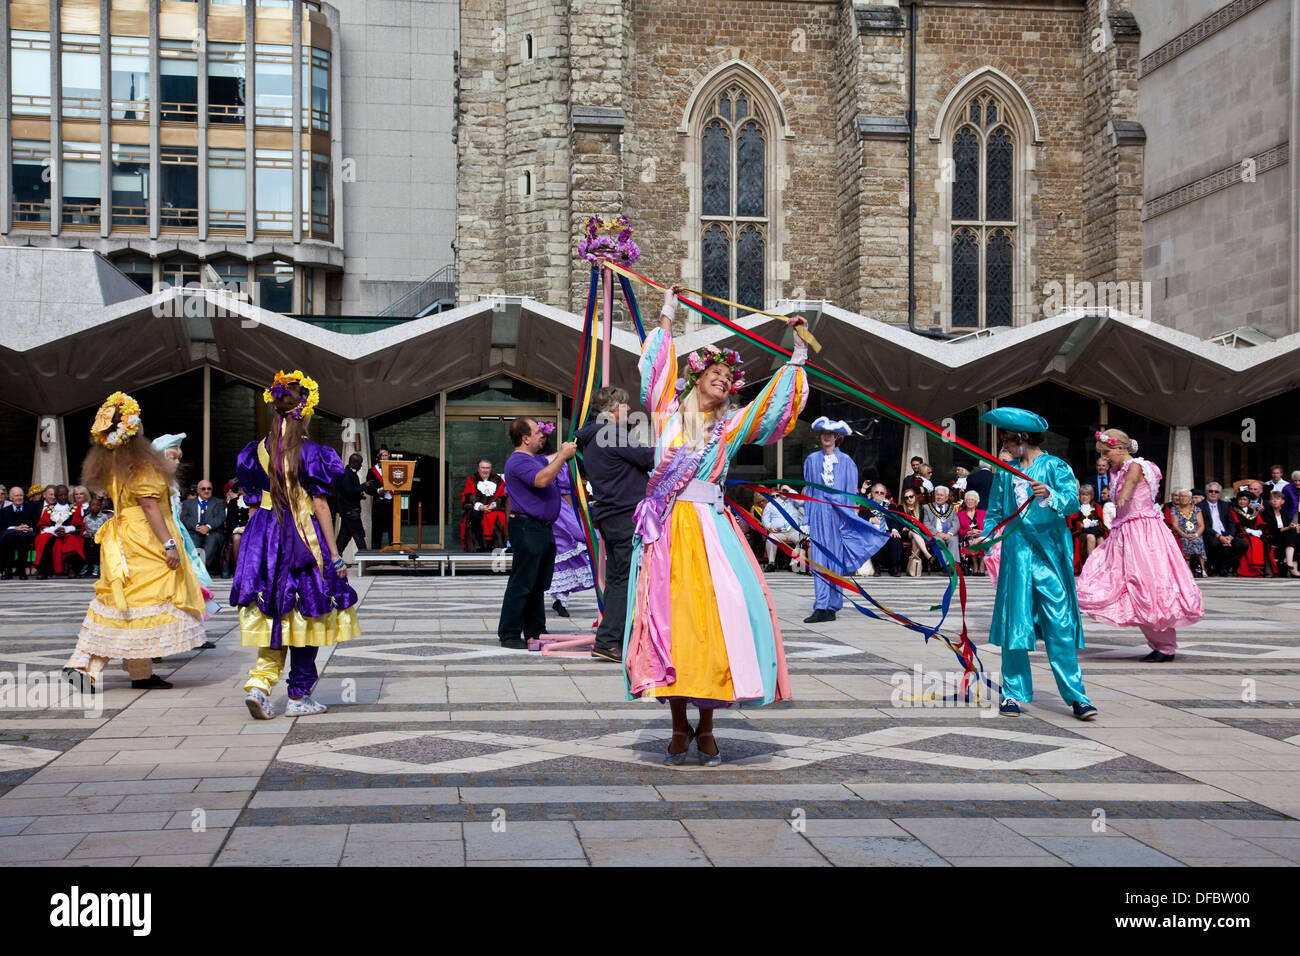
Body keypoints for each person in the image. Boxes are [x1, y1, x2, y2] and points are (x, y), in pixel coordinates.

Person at [626, 284, 810, 766]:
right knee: (673, 626)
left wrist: (795, 353)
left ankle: (706, 726)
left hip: (710, 529)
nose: (724, 380)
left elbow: (773, 410)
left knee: (716, 624)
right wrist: (668, 311)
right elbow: (654, 374)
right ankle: (677, 724)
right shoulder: (666, 413)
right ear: (697, 378)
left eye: (729, 377)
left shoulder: (728, 427)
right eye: (716, 373)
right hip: (667, 532)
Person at [233, 371, 360, 719]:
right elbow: (320, 505)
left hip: (264, 540)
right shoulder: (312, 453)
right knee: (309, 611)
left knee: (274, 608)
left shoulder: (255, 452)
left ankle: (260, 684)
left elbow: (252, 501)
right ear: (304, 410)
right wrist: (335, 555)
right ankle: (299, 694)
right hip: (303, 537)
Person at [62, 392, 208, 692]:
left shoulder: (117, 461)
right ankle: (81, 664)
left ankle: (140, 673)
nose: (142, 426)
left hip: (124, 536)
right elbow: (150, 506)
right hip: (144, 539)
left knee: (130, 603)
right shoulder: (140, 464)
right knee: (136, 603)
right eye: (137, 421)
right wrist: (169, 544)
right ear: (131, 428)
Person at [975, 408, 1096, 720]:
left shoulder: (1056, 466)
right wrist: (984, 538)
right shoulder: (1004, 472)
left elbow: (1072, 502)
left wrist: (1049, 493)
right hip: (1017, 556)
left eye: (1006, 439)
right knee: (1015, 623)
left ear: (1022, 438)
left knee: (1060, 625)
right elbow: (995, 513)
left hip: (1050, 556)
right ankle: (1013, 693)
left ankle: (1077, 696)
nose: (1003, 445)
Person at [1078, 429, 1205, 662]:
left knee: (1148, 584)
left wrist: (1124, 495)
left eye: (1107, 453)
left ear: (1120, 448)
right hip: (1126, 530)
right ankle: (1161, 645)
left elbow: (1131, 484)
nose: (1106, 458)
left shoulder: (1135, 465)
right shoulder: (1118, 470)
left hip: (1142, 532)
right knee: (1120, 579)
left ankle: (1165, 646)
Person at [576, 385, 656, 663]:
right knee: (623, 580)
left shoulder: (592, 437)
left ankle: (614, 637)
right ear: (612, 410)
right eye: (625, 406)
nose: (629, 410)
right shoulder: (610, 433)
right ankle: (609, 640)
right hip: (624, 514)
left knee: (619, 579)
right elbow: (649, 458)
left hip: (612, 514)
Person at [497, 418, 577, 649]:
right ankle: (510, 633)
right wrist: (562, 455)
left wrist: (568, 448)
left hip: (540, 528)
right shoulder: (518, 461)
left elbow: (548, 460)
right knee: (522, 582)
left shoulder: (533, 459)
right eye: (537, 432)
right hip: (527, 527)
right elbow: (541, 479)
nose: (542, 435)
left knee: (536, 583)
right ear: (525, 439)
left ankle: (535, 630)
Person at [802, 417, 887, 623]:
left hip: (839, 515)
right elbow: (809, 490)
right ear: (819, 435)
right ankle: (821, 605)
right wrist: (807, 519)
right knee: (819, 559)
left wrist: (849, 516)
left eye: (831, 434)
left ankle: (832, 605)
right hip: (818, 514)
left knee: (835, 561)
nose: (827, 436)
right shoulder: (811, 460)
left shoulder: (847, 462)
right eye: (824, 433)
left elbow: (850, 492)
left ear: (837, 437)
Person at [153, 434, 221, 630]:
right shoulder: (155, 482)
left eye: (178, 458)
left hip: (177, 534)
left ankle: (192, 628)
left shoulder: (170, 482)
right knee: (167, 584)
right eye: (172, 458)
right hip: (163, 536)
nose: (177, 462)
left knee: (189, 580)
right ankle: (161, 632)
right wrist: (169, 543)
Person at [33, 484, 86, 578]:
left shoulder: (75, 507)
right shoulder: (49, 508)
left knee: (73, 540)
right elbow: (42, 525)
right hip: (52, 533)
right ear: (56, 496)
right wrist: (53, 530)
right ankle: (43, 570)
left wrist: (67, 529)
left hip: (69, 534)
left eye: (65, 495)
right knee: (42, 539)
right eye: (60, 495)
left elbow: (79, 526)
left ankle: (71, 569)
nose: (63, 497)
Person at [460, 458, 508, 552]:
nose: (485, 470)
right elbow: (468, 494)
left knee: (499, 518)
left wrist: (494, 505)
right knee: (475, 516)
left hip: (494, 508)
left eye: (487, 468)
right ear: (478, 469)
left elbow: (503, 495)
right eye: (483, 468)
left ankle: (492, 545)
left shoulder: (498, 480)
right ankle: (480, 544)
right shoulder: (472, 479)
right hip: (477, 508)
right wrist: (480, 506)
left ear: (490, 469)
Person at [180, 478, 226, 577]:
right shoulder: (188, 503)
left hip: (213, 532)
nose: (206, 491)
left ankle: (201, 570)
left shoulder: (218, 502)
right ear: (198, 490)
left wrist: (208, 527)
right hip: (194, 531)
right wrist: (196, 527)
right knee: (193, 542)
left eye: (209, 489)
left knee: (212, 541)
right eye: (203, 488)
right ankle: (195, 570)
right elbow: (184, 518)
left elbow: (220, 517)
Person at [1199, 482, 1243, 576]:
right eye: (1211, 491)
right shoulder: (1200, 506)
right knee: (1215, 543)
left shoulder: (1225, 505)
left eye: (1216, 491)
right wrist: (1219, 536)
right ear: (1206, 493)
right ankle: (1214, 567)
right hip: (1210, 533)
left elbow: (1231, 522)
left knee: (1242, 545)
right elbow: (1204, 525)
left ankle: (1224, 566)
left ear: (1220, 494)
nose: (1213, 493)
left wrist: (1230, 536)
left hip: (1225, 533)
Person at [861, 483, 905, 576]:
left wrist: (894, 530)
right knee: (874, 538)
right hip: (873, 532)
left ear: (885, 494)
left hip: (887, 531)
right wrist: (870, 519)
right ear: (872, 493)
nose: (879, 494)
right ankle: (877, 567)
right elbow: (860, 520)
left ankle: (894, 567)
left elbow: (896, 521)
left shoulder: (891, 507)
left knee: (896, 538)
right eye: (877, 492)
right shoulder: (865, 505)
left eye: (882, 493)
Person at [760, 488, 807, 573]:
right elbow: (765, 519)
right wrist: (769, 527)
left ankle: (793, 563)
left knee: (801, 540)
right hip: (778, 532)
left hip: (793, 531)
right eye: (782, 491)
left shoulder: (795, 502)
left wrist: (790, 490)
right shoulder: (771, 504)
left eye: (786, 491)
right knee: (770, 539)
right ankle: (771, 563)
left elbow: (802, 501)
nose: (784, 493)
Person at [1166, 488, 1208, 578]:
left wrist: (1196, 534)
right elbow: (1175, 525)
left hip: (1195, 533)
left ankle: (1203, 569)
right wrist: (1184, 534)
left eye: (1185, 496)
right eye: (1181, 496)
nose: (1183, 498)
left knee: (1198, 541)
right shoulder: (1174, 509)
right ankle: (1187, 570)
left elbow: (1201, 525)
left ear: (1190, 498)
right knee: (1185, 542)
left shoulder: (1197, 509)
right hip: (1182, 534)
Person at [0, 485, 40, 579]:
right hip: (10, 536)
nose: (19, 498)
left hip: (27, 535)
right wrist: (15, 528)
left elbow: (36, 524)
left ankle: (22, 571)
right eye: (16, 496)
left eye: (21, 495)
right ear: (11, 498)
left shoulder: (31, 507)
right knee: (9, 538)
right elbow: (2, 528)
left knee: (22, 537)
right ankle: (8, 570)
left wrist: (30, 528)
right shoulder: (4, 511)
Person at [1230, 490, 1270, 577]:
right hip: (1241, 534)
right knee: (1253, 543)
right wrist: (1248, 531)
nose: (1242, 501)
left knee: (1263, 543)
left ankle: (1261, 570)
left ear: (1248, 501)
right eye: (1240, 499)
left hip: (1255, 534)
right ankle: (1248, 570)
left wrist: (1259, 530)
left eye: (1245, 500)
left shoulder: (1253, 511)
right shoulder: (1234, 510)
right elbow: (1235, 524)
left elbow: (1260, 522)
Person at [335, 453, 369, 556]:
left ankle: (336, 558)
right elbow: (349, 491)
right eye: (360, 463)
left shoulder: (350, 473)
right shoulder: (346, 474)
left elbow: (350, 492)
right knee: (358, 534)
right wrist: (364, 485)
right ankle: (366, 558)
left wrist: (359, 496)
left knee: (344, 536)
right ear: (354, 463)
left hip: (349, 510)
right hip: (350, 510)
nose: (361, 466)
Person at [1068, 483, 1107, 571]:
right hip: (1081, 533)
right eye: (1082, 494)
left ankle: (1102, 565)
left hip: (1095, 530)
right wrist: (1080, 525)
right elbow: (1072, 523)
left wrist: (1097, 523)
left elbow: (1101, 522)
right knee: (1091, 537)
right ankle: (1091, 566)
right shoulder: (1076, 507)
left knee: (1101, 538)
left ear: (1091, 496)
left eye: (1087, 495)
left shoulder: (1097, 507)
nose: (1084, 497)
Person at [921, 485, 960, 573]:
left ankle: (951, 565)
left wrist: (950, 533)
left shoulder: (952, 508)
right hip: (934, 534)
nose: (938, 497)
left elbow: (956, 523)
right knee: (940, 541)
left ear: (946, 497)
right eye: (937, 495)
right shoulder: (927, 507)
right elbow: (926, 523)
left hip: (949, 533)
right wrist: (938, 533)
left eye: (941, 495)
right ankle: (946, 565)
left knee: (954, 540)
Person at [1261, 489, 1300, 577]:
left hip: (1285, 537)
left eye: (1277, 499)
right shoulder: (1267, 513)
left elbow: (1289, 525)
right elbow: (1272, 529)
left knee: (1296, 535)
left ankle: (1292, 567)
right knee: (1292, 533)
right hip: (1273, 537)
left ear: (1282, 502)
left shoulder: (1284, 513)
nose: (1274, 501)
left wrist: (1294, 526)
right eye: (1272, 499)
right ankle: (1291, 565)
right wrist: (1289, 528)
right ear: (1270, 501)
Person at [897, 487, 933, 574]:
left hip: (918, 534)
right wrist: (904, 527)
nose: (909, 499)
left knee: (915, 536)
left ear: (915, 497)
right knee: (914, 531)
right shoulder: (901, 508)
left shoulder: (921, 509)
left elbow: (923, 524)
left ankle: (913, 568)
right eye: (906, 498)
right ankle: (927, 555)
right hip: (905, 533)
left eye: (911, 496)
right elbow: (898, 522)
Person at [365, 446, 394, 547]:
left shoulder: (396, 468)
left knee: (393, 531)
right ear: (378, 457)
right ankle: (375, 556)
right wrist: (378, 491)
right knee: (377, 530)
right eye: (382, 455)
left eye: (386, 455)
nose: (384, 457)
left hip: (393, 503)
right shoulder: (372, 471)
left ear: (389, 456)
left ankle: (394, 556)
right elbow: (367, 489)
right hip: (379, 504)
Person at [956, 490, 986, 574]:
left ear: (976, 502)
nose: (970, 501)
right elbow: (958, 530)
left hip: (981, 536)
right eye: (968, 500)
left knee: (981, 539)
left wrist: (982, 532)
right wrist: (967, 532)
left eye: (972, 500)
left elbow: (988, 528)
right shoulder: (959, 514)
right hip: (966, 537)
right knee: (971, 539)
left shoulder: (983, 513)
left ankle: (982, 564)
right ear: (965, 502)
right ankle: (975, 564)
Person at [223, 479, 250, 568]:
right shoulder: (233, 502)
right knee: (236, 538)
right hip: (236, 530)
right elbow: (229, 521)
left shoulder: (254, 501)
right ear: (238, 489)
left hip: (252, 530)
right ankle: (238, 567)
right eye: (241, 487)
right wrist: (235, 529)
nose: (243, 489)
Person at [82, 495, 111, 577]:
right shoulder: (86, 518)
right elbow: (83, 529)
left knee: (98, 548)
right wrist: (85, 534)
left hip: (100, 538)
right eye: (93, 505)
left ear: (101, 507)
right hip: (89, 538)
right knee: (86, 547)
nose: (95, 507)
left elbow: (108, 528)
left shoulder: (104, 517)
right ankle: (87, 566)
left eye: (98, 505)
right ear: (89, 506)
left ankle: (96, 567)